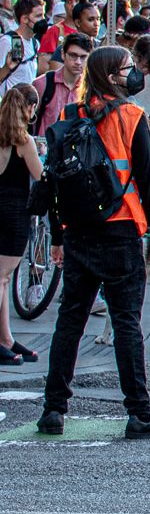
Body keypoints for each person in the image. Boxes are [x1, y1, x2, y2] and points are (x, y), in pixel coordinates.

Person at [36, 46, 150, 439]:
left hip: (79, 230)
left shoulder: (69, 116)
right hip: (122, 228)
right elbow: (148, 184)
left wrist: (58, 234)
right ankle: (139, 413)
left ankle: (53, 409)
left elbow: (56, 182)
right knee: (127, 322)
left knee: (70, 321)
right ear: (113, 75)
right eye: (128, 68)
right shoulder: (132, 117)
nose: (134, 74)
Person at [0, 84, 43, 366]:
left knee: (1, 278)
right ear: (27, 108)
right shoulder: (23, 141)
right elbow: (41, 176)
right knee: (2, 277)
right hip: (14, 213)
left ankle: (5, 338)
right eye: (33, 108)